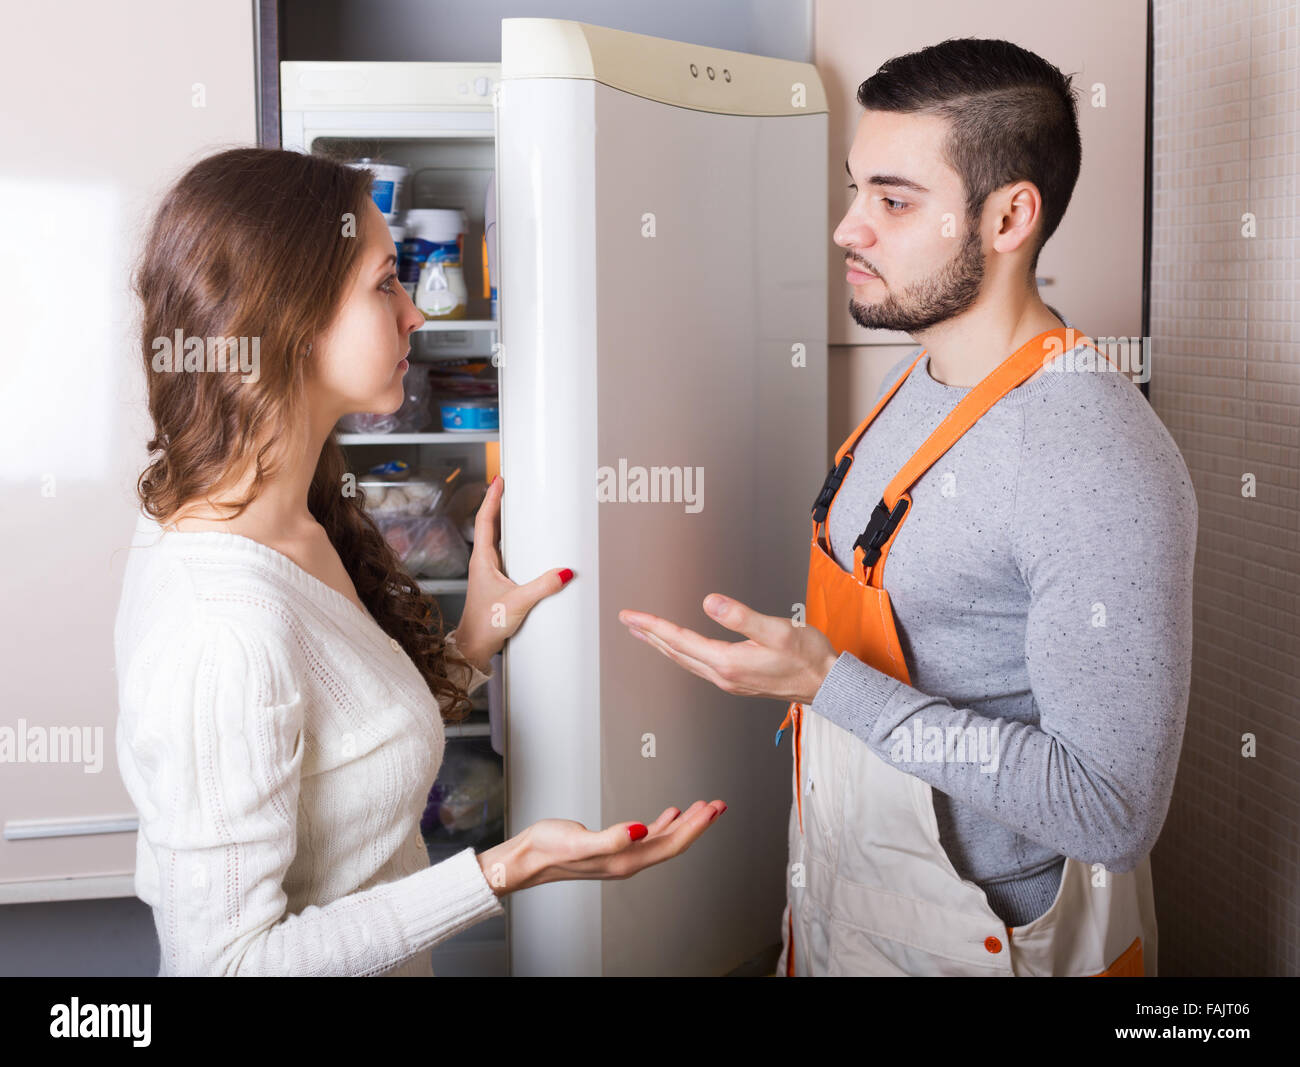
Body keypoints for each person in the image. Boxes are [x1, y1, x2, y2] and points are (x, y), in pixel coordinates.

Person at [618, 37, 1196, 976]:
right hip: (852, 904)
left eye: (892, 200)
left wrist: (827, 684)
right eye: (855, 191)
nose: (848, 228)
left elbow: (1111, 810)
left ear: (1009, 217)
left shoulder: (1094, 456)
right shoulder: (923, 375)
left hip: (984, 943)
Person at [115, 146, 726, 976]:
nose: (415, 314)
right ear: (287, 319)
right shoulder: (219, 627)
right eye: (384, 283)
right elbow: (227, 964)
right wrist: (510, 867)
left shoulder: (292, 515)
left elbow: (343, 757)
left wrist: (476, 639)